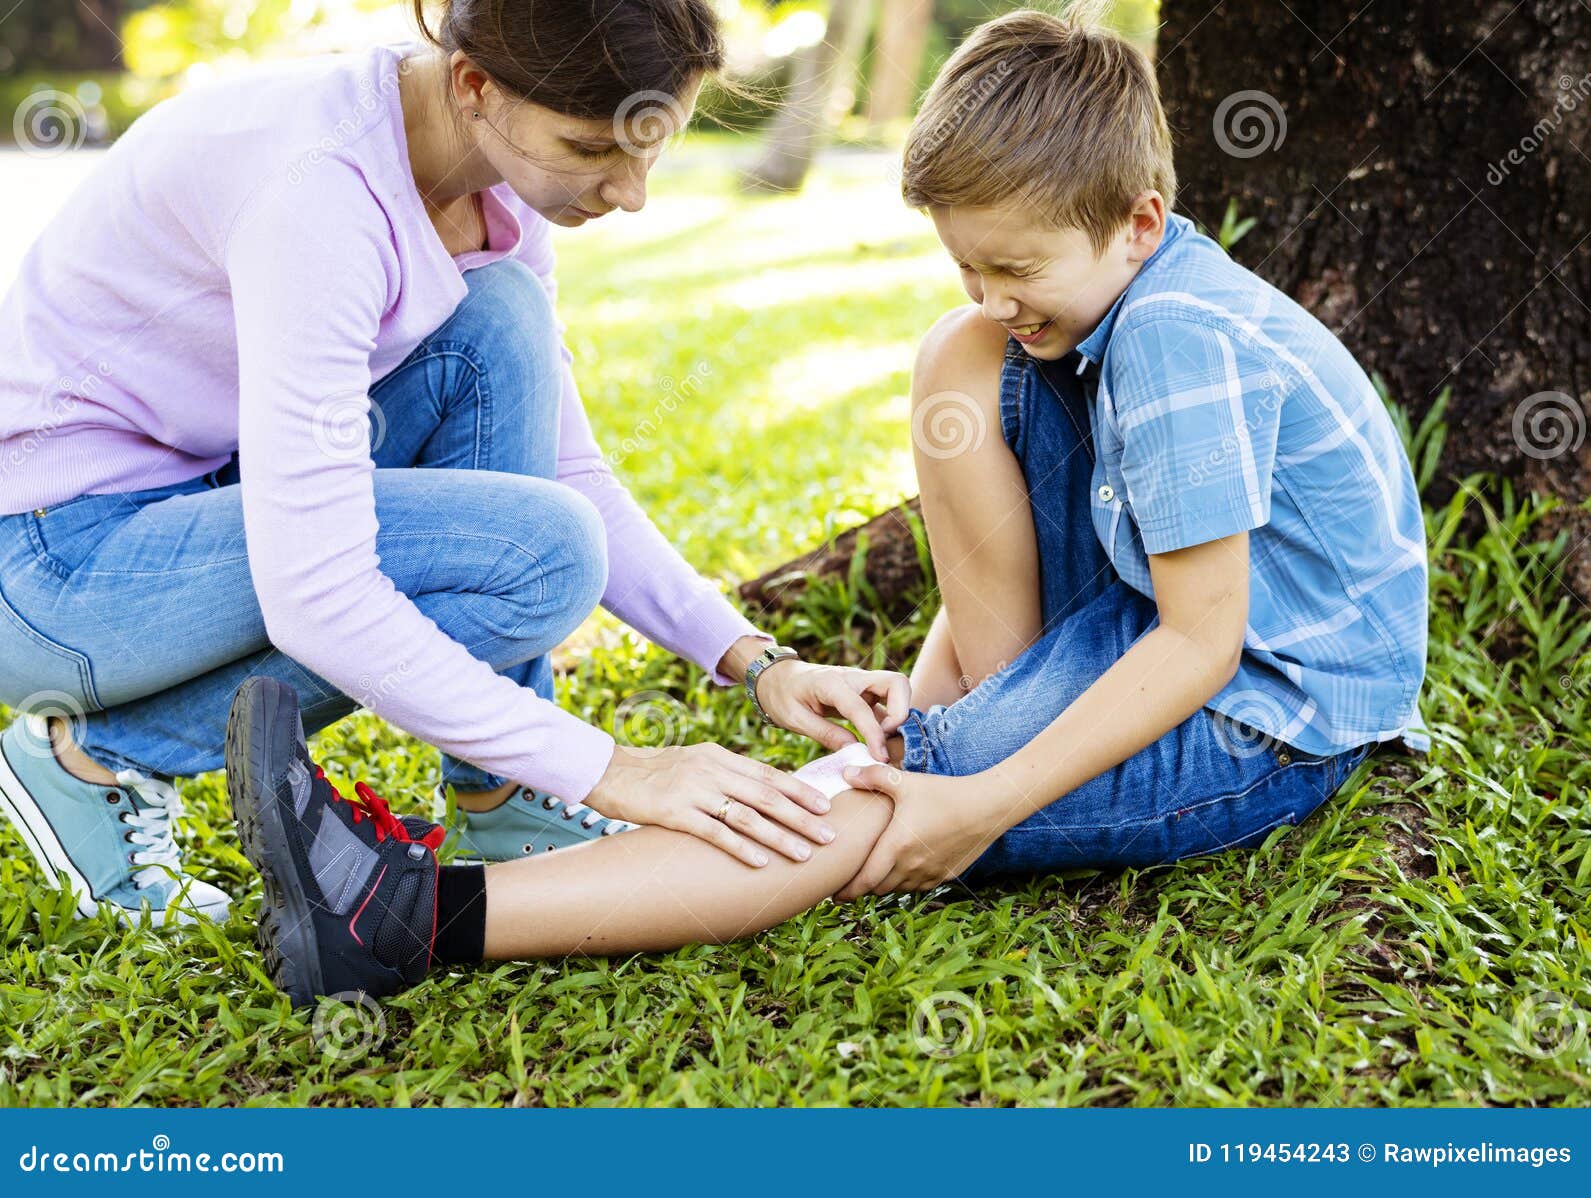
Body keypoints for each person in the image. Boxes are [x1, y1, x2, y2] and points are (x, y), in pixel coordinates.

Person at [223, 6, 1430, 1008]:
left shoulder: (1173, 339)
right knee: (962, 363)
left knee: (874, 800)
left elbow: (1198, 639)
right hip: (1160, 625)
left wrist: (973, 800)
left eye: (1015, 268)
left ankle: (407, 919)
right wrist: (916, 704)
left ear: (1140, 220)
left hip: (1266, 712)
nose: (992, 291)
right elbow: (1082, 542)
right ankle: (961, 728)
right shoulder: (1124, 293)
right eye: (967, 261)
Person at [0, 0, 909, 926]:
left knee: (500, 322)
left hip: (189, 503)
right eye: (594, 149)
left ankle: (499, 797)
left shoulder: (497, 172)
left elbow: (568, 467)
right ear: (475, 84)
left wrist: (758, 664)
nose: (629, 191)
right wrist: (617, 772)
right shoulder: (318, 195)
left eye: (650, 146)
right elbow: (318, 595)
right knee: (543, 556)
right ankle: (95, 758)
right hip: (51, 565)